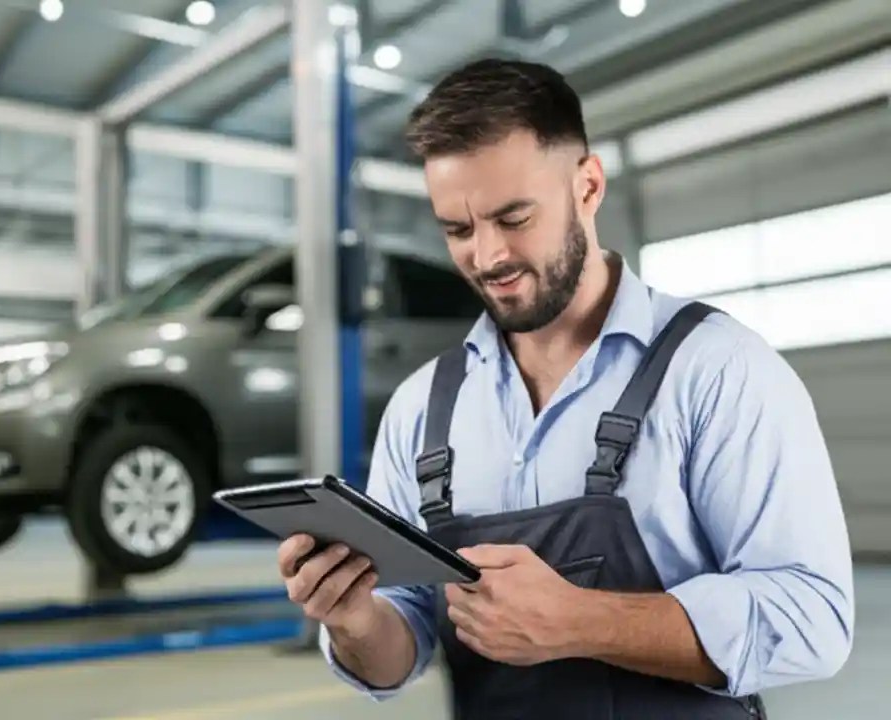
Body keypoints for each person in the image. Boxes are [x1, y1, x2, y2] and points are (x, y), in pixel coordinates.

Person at [276, 58, 854, 719]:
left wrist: (580, 621)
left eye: (513, 217)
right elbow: (400, 641)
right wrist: (353, 621)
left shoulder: (718, 371)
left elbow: (816, 619)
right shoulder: (421, 410)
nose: (487, 257)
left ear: (588, 186)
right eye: (458, 230)